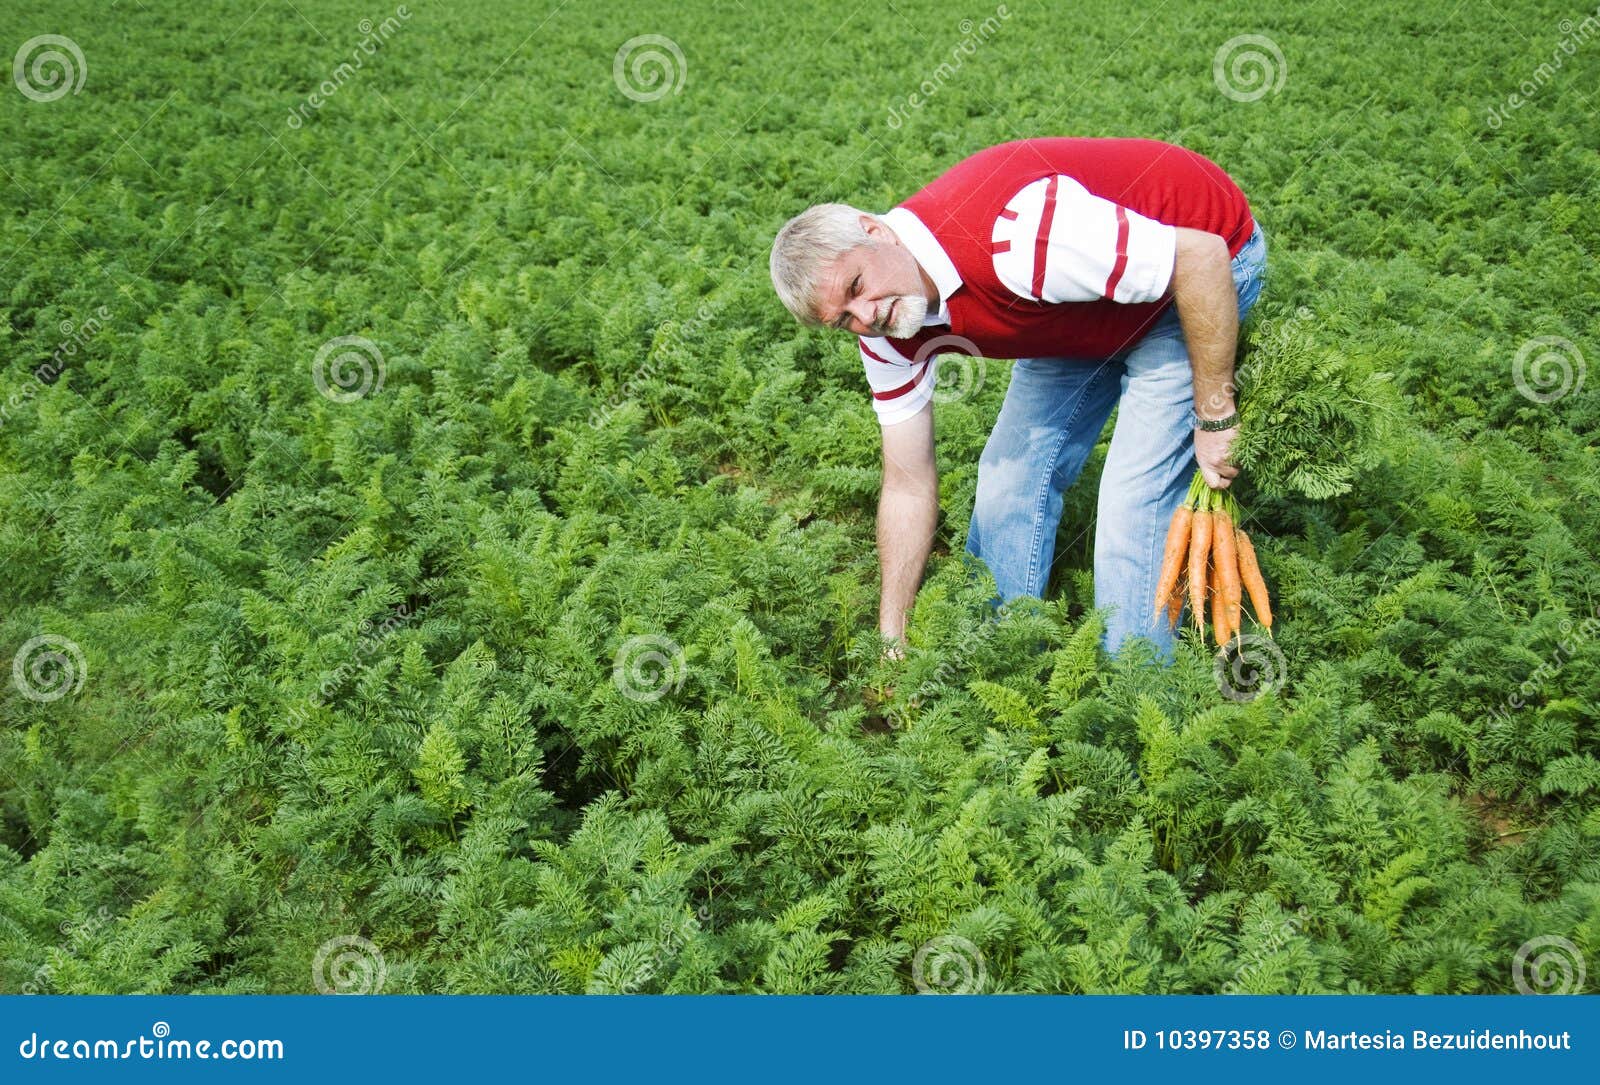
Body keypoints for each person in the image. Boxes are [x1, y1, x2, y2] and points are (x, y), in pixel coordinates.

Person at [768, 137, 1265, 660]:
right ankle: (1000, 661)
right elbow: (907, 482)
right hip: (1079, 304)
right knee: (1008, 479)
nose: (865, 316)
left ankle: (1137, 702)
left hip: (1198, 274)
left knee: (1130, 505)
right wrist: (893, 634)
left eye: (856, 285)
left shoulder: (1017, 237)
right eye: (843, 319)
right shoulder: (883, 329)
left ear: (875, 231)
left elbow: (1200, 257)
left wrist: (1214, 416)